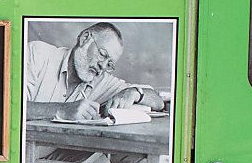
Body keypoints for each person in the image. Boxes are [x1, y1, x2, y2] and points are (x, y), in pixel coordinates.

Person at [23, 21, 162, 120]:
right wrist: (61, 110)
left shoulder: (101, 79)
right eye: (102, 55)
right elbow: (8, 108)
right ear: (85, 39)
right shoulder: (37, 53)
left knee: (102, 159)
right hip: (22, 153)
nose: (103, 66)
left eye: (109, 64)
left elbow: (158, 102)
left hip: (56, 153)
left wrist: (134, 93)